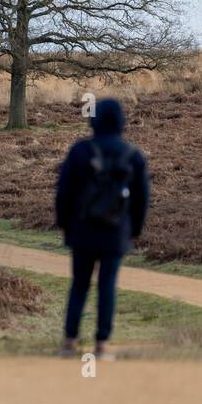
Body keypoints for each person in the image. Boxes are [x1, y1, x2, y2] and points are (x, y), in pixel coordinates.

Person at [56, 98, 149, 359]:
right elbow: (142, 199)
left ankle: (70, 341)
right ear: (121, 121)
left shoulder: (80, 151)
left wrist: (65, 225)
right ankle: (101, 344)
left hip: (82, 230)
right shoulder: (133, 155)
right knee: (107, 285)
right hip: (116, 231)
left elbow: (64, 192)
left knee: (80, 284)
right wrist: (134, 230)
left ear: (94, 120)